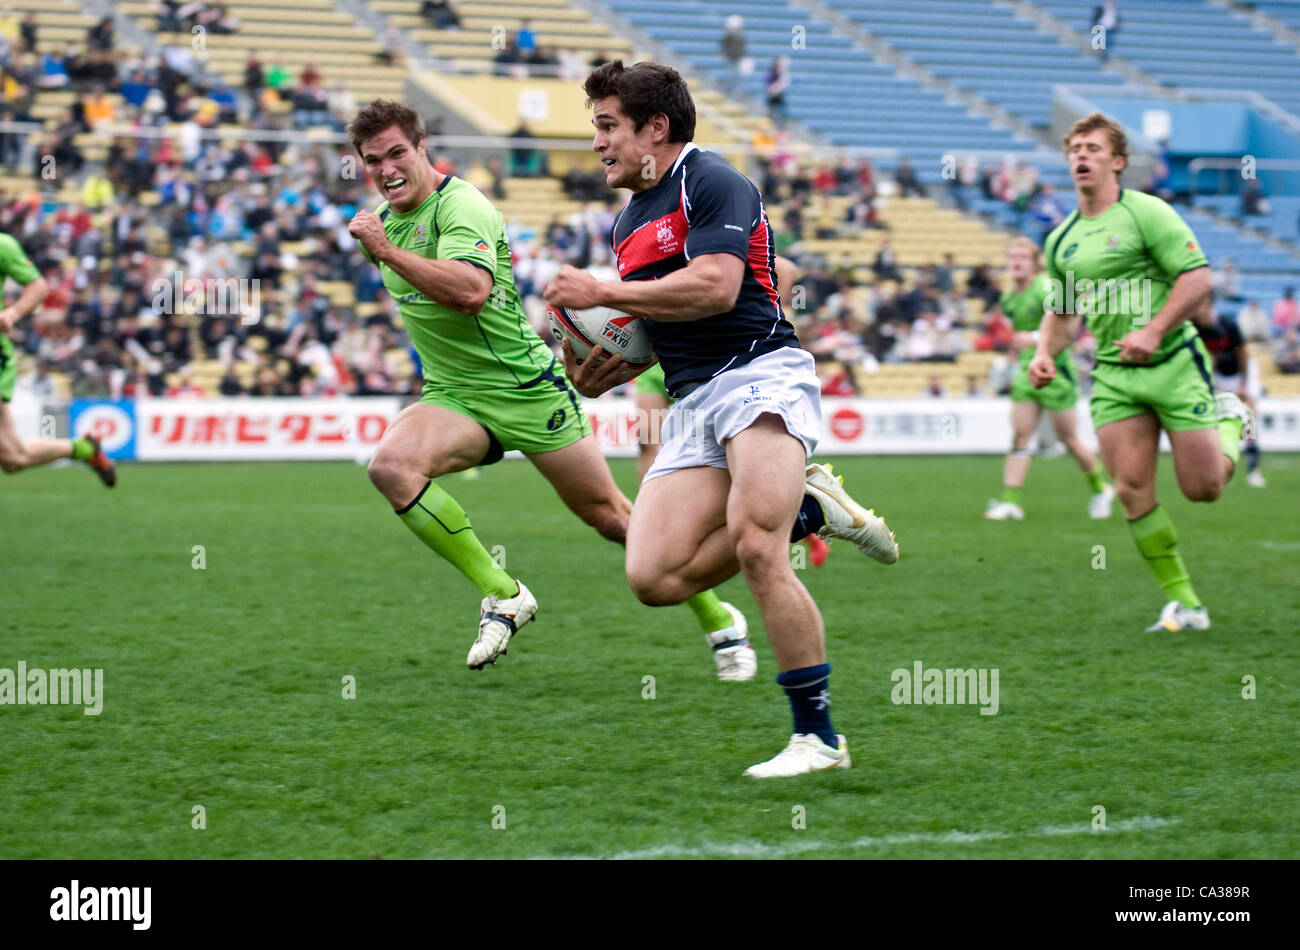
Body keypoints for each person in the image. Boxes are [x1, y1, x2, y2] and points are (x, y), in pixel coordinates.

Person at [544, 61, 899, 778]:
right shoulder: (628, 219)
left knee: (758, 549)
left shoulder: (713, 181)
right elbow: (648, 324)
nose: (598, 143)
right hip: (692, 400)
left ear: (656, 128)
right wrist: (598, 365)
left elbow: (716, 286)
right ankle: (806, 508)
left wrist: (599, 289)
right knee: (652, 576)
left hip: (760, 377)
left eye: (608, 126)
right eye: (596, 128)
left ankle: (818, 739)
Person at [344, 100, 752, 677]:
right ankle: (504, 594)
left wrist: (384, 252)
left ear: (421, 147)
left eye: (396, 153)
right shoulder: (383, 221)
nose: (386, 169)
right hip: (454, 396)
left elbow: (469, 293)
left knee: (610, 516)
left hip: (527, 390)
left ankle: (719, 621)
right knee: (390, 467)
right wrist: (384, 241)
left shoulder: (461, 207)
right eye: (372, 161)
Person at [1029, 113, 1251, 633]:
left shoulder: (1149, 213)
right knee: (1130, 489)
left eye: (1093, 148)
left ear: (1118, 162)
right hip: (1112, 376)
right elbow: (1062, 310)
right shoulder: (1061, 239)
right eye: (1075, 148)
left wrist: (1152, 330)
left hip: (1173, 362)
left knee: (1205, 489)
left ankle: (1232, 423)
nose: (1081, 156)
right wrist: (1046, 353)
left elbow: (1198, 279)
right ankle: (1186, 604)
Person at [634, 255, 829, 568]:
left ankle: (799, 519)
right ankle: (649, 516)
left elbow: (786, 268)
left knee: (746, 463)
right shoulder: (653, 235)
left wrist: (776, 308)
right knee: (647, 438)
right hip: (659, 359)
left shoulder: (715, 232)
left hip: (716, 358)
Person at [984, 237, 1113, 521]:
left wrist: (1031, 338)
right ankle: (1011, 502)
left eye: (1022, 257)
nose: (1016, 262)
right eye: (1012, 257)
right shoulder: (1009, 297)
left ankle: (1100, 489)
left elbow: (1071, 321)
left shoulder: (1045, 287)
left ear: (1034, 262)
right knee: (1020, 435)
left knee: (1068, 439)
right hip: (1025, 372)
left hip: (1056, 370)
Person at [0, 232, 115, 486]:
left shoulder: (2, 245)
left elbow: (38, 286)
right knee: (14, 458)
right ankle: (86, 449)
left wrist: (13, 313)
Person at [1196, 301, 1265, 487]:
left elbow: (1243, 353)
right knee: (1216, 420)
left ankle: (1253, 470)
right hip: (1219, 374)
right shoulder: (1196, 328)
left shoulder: (1227, 325)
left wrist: (1243, 385)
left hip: (1242, 372)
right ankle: (1222, 468)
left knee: (1249, 417)